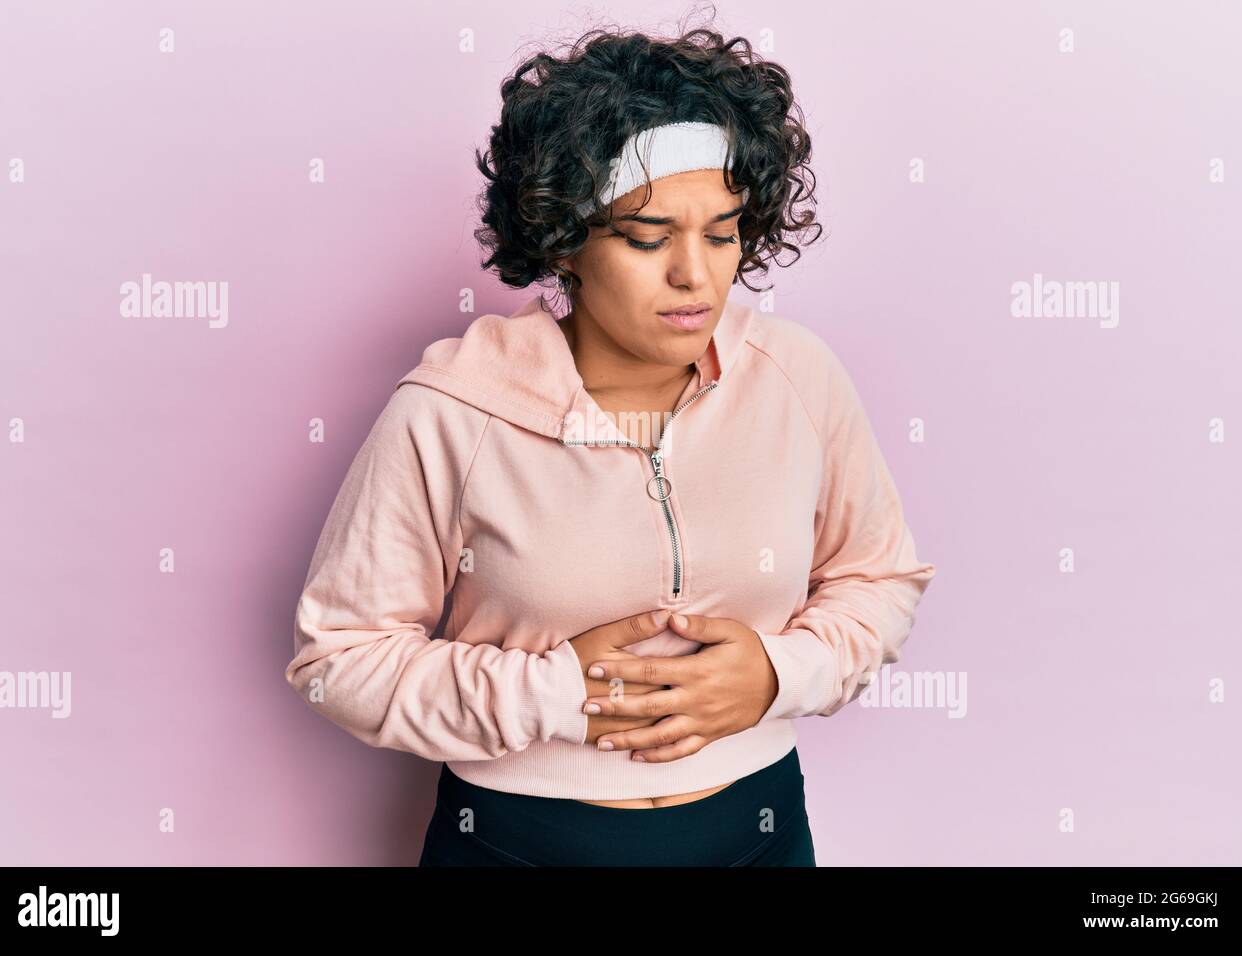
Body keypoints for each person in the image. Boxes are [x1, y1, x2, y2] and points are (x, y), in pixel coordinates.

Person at [284, 22, 936, 866]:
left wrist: (781, 674)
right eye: (648, 237)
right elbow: (338, 660)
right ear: (566, 240)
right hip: (518, 844)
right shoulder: (452, 412)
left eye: (723, 232)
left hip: (760, 831)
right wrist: (556, 694)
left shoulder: (798, 379)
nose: (695, 275)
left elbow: (878, 577)